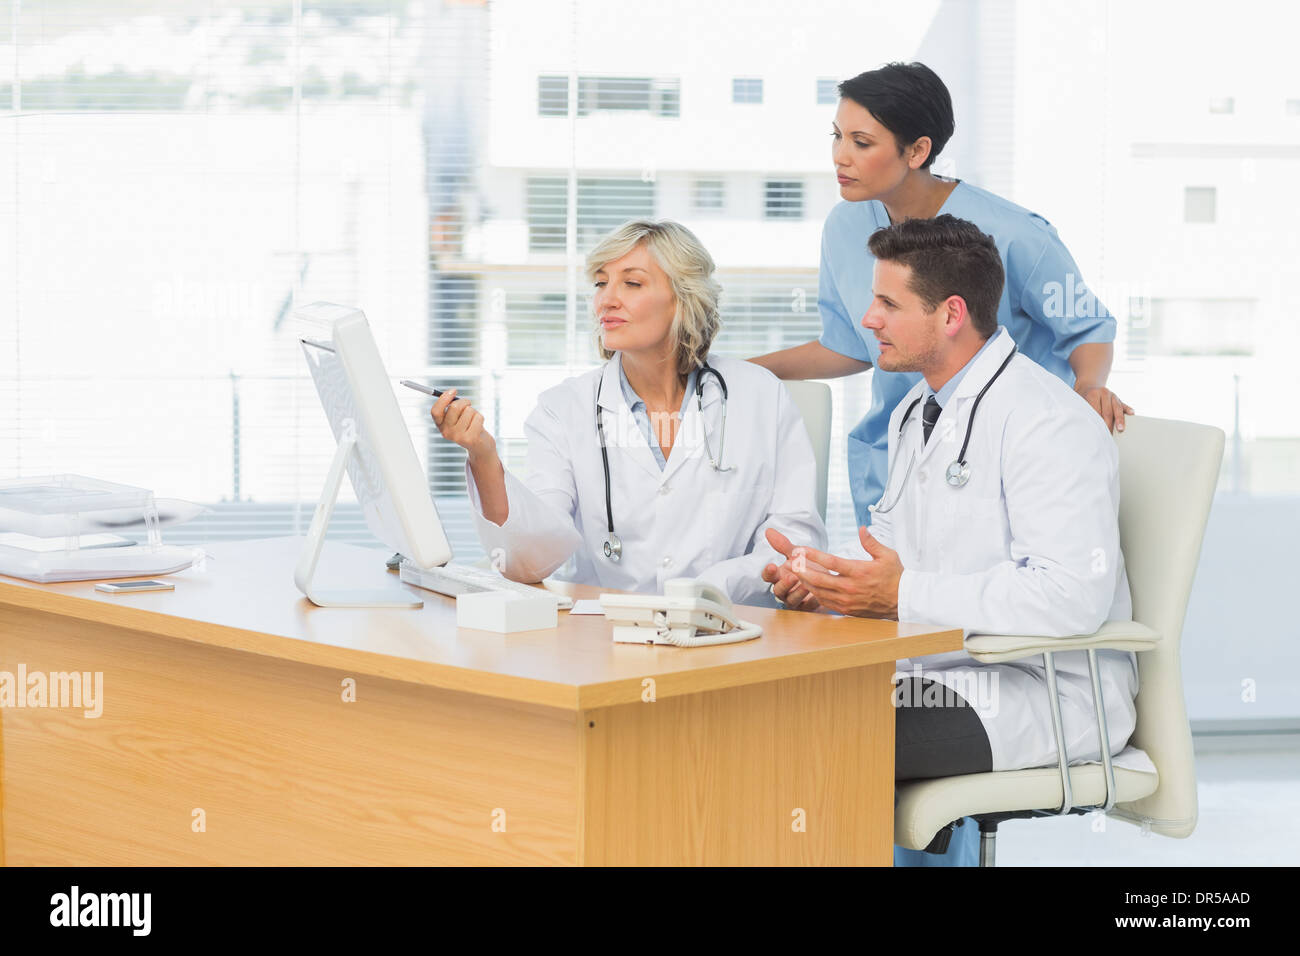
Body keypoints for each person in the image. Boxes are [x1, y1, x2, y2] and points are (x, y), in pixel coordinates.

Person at [764, 216, 1137, 832]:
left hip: (1037, 691)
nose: (868, 320)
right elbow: (891, 556)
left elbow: (1070, 598)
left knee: (808, 743)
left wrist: (898, 594)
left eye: (888, 302)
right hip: (937, 671)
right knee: (749, 713)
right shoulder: (917, 409)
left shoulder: (1048, 422)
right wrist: (830, 586)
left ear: (951, 314)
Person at [750, 61, 1133, 530]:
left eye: (861, 143)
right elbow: (849, 346)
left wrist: (1090, 386)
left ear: (917, 151)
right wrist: (742, 372)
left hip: (992, 461)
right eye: (837, 136)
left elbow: (1087, 327)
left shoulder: (1014, 234)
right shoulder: (844, 226)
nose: (839, 157)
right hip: (893, 460)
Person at [431, 219, 826, 604]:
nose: (607, 299)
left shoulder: (760, 395)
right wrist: (483, 455)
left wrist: (714, 588)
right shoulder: (562, 409)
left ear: (684, 298)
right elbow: (531, 559)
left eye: (632, 283)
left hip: (733, 633)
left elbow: (794, 535)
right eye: (601, 283)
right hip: (604, 642)